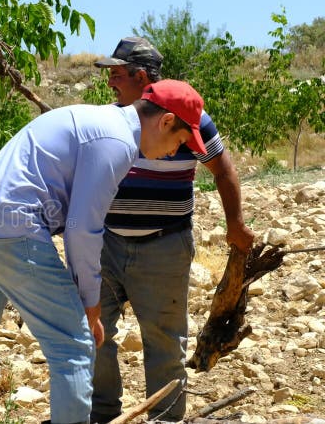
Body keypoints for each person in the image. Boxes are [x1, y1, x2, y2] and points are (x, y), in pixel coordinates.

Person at [0, 79, 209, 424]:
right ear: (167, 121)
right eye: (179, 141)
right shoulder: (118, 141)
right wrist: (90, 306)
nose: (174, 152)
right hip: (12, 227)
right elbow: (82, 228)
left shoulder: (89, 117)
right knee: (75, 347)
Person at [90, 37, 255, 423]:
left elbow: (224, 170)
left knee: (164, 341)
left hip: (164, 248)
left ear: (141, 76)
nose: (110, 84)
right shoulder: (110, 120)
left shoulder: (185, 118)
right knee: (94, 333)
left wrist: (235, 224)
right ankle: (102, 415)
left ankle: (165, 419)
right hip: (106, 244)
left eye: (116, 75)